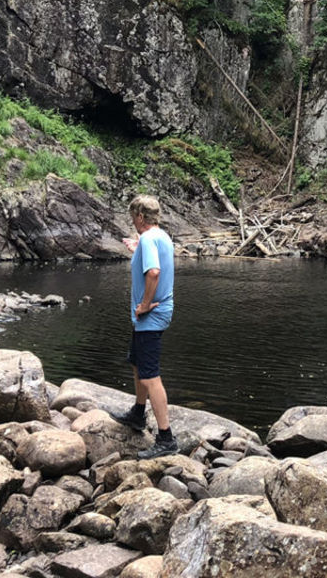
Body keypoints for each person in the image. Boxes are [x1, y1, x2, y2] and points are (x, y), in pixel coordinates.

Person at [118, 195, 178, 459]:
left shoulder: (149, 239)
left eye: (134, 217)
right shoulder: (160, 237)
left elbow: (153, 272)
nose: (133, 222)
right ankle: (138, 413)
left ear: (140, 217)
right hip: (153, 316)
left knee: (150, 375)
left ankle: (166, 438)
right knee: (136, 362)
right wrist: (138, 249)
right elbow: (154, 260)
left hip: (150, 316)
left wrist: (143, 305)